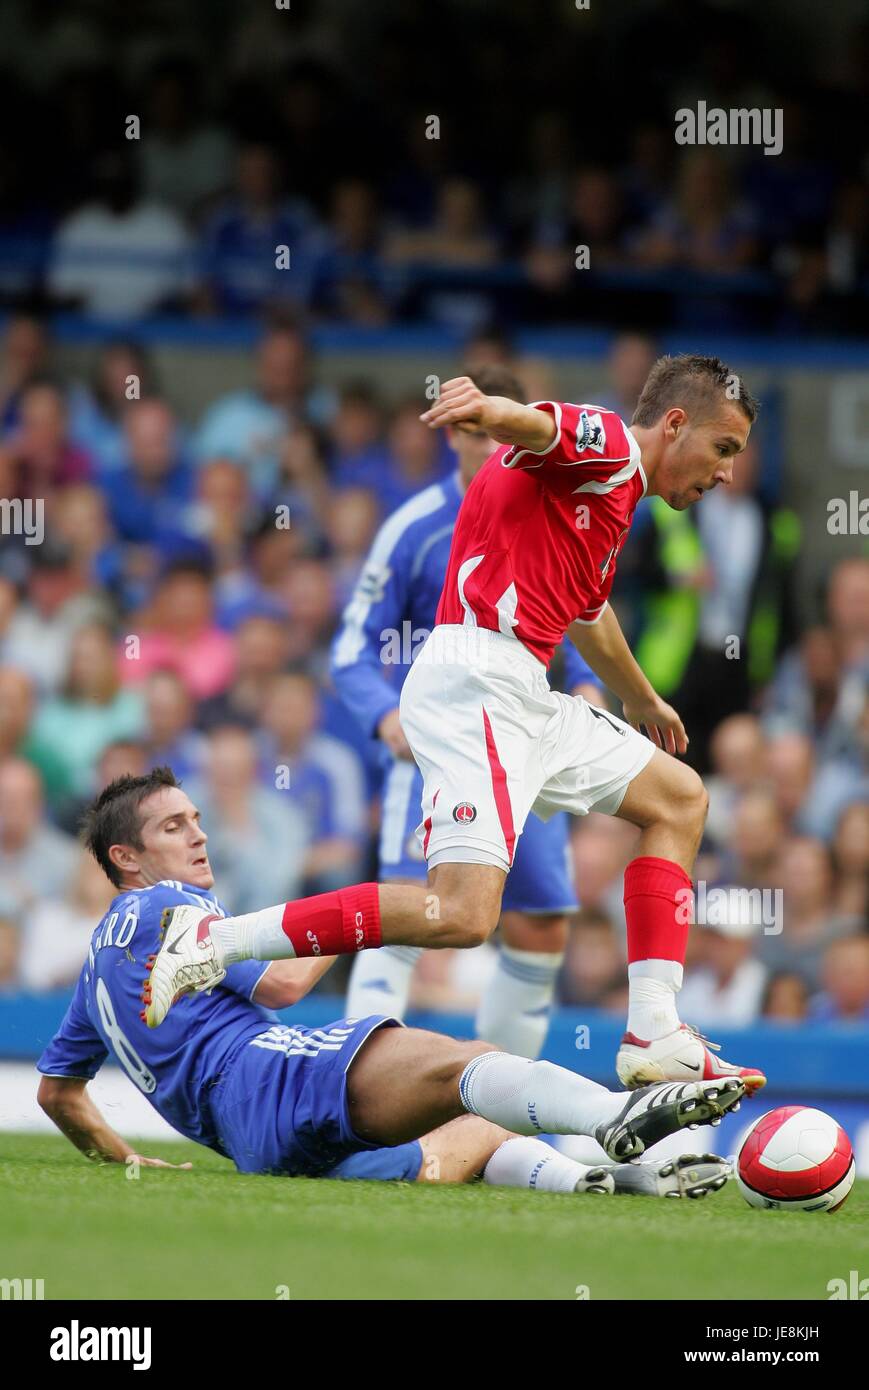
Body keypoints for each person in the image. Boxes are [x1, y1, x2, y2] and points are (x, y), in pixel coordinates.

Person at [144, 355, 767, 1096]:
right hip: (478, 680)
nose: (726, 472)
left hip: (520, 690)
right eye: (722, 448)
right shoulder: (606, 443)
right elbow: (537, 426)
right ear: (673, 425)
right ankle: (215, 941)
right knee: (462, 915)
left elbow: (587, 611)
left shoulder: (611, 496)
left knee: (680, 798)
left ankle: (653, 1031)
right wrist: (490, 411)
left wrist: (637, 695)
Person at [37, 768, 741, 1200]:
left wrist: (127, 1161)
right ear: (127, 859)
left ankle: (609, 1179)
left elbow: (58, 1092)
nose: (198, 836)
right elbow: (280, 984)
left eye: (195, 819)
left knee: (460, 1139)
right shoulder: (163, 905)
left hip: (248, 1142)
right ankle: (612, 1116)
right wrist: (360, 917)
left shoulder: (96, 966)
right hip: (268, 1077)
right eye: (172, 826)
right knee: (465, 1062)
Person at [331, 364, 601, 1059]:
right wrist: (384, 716)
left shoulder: (553, 507)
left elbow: (569, 619)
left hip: (522, 746)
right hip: (436, 744)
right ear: (453, 433)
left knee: (540, 923)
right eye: (482, 431)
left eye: (507, 427)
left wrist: (587, 688)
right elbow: (350, 648)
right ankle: (355, 1081)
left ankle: (504, 1101)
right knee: (410, 911)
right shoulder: (414, 529)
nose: (495, 445)